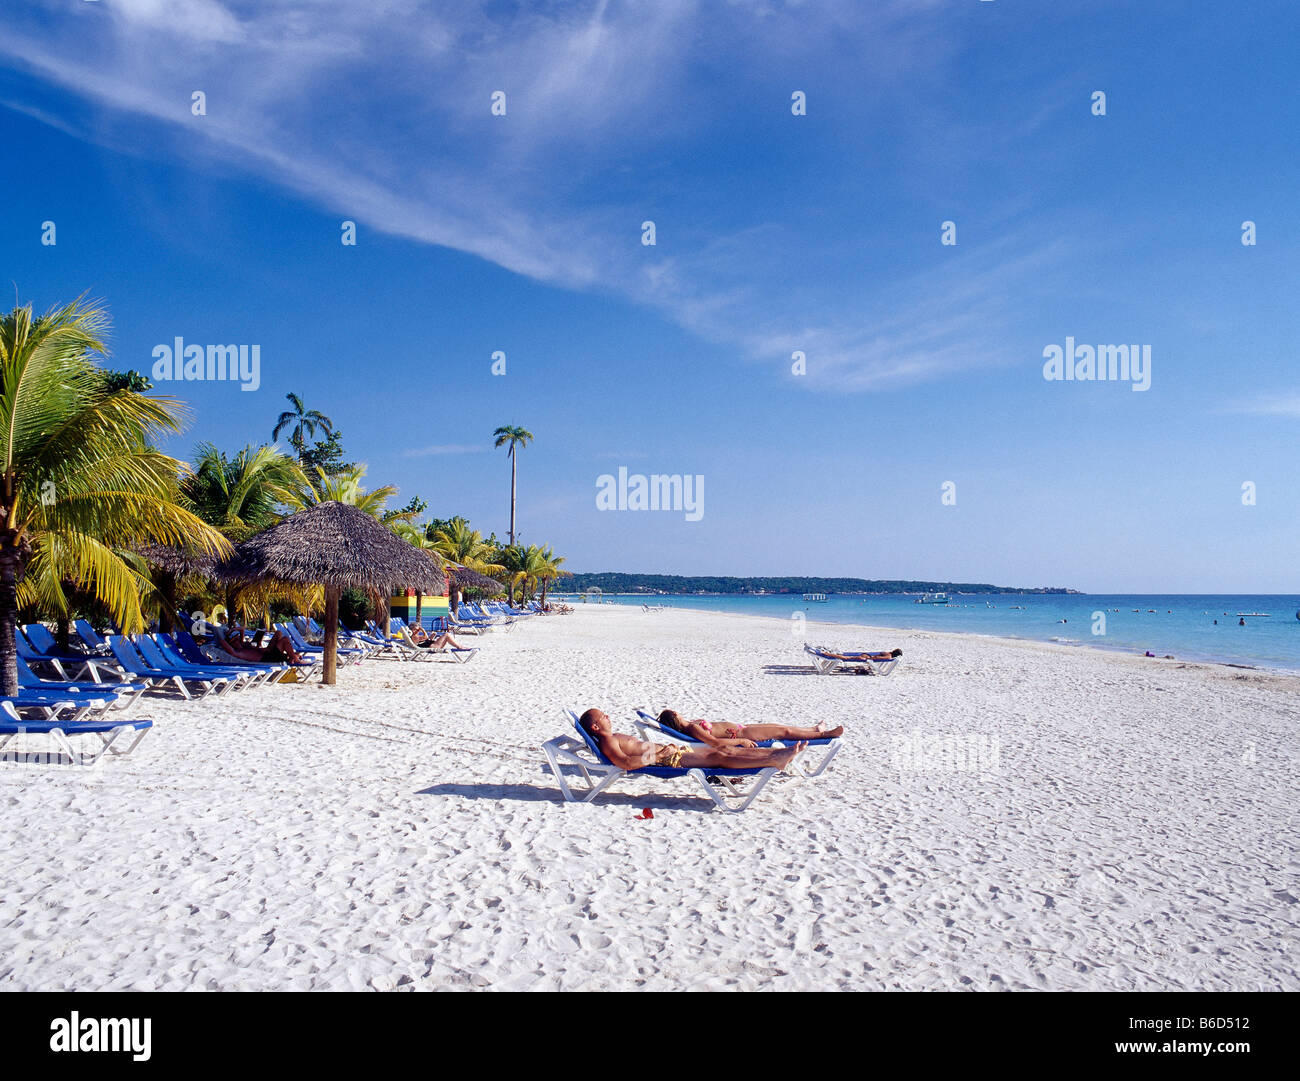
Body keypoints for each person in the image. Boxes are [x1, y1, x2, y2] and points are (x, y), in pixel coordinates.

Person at [578, 709, 805, 771]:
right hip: (667, 759)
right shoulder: (608, 742)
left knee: (723, 753)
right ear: (596, 727)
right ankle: (774, 759)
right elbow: (625, 764)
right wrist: (658, 754)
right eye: (603, 716)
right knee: (719, 757)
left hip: (672, 752)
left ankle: (775, 756)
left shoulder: (613, 737)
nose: (608, 716)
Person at [655, 709, 842, 748]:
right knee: (783, 732)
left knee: (779, 727)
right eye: (676, 712)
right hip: (743, 733)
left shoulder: (690, 726)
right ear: (676, 717)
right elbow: (715, 742)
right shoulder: (693, 730)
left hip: (741, 728)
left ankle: (813, 729)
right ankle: (824, 734)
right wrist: (742, 740)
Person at [214, 624, 304, 665]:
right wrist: (219, 632)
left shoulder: (242, 645)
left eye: (237, 638)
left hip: (267, 652)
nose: (237, 639)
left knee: (278, 633)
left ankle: (292, 656)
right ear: (231, 644)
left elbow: (242, 629)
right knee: (285, 640)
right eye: (235, 640)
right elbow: (222, 641)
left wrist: (232, 630)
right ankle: (294, 658)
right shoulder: (237, 651)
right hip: (267, 658)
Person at [817, 647, 902, 662]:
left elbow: (879, 654)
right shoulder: (889, 656)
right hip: (866, 657)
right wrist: (870, 659)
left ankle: (828, 653)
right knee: (845, 658)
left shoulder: (888, 653)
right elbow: (876, 657)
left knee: (846, 657)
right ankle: (826, 653)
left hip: (866, 655)